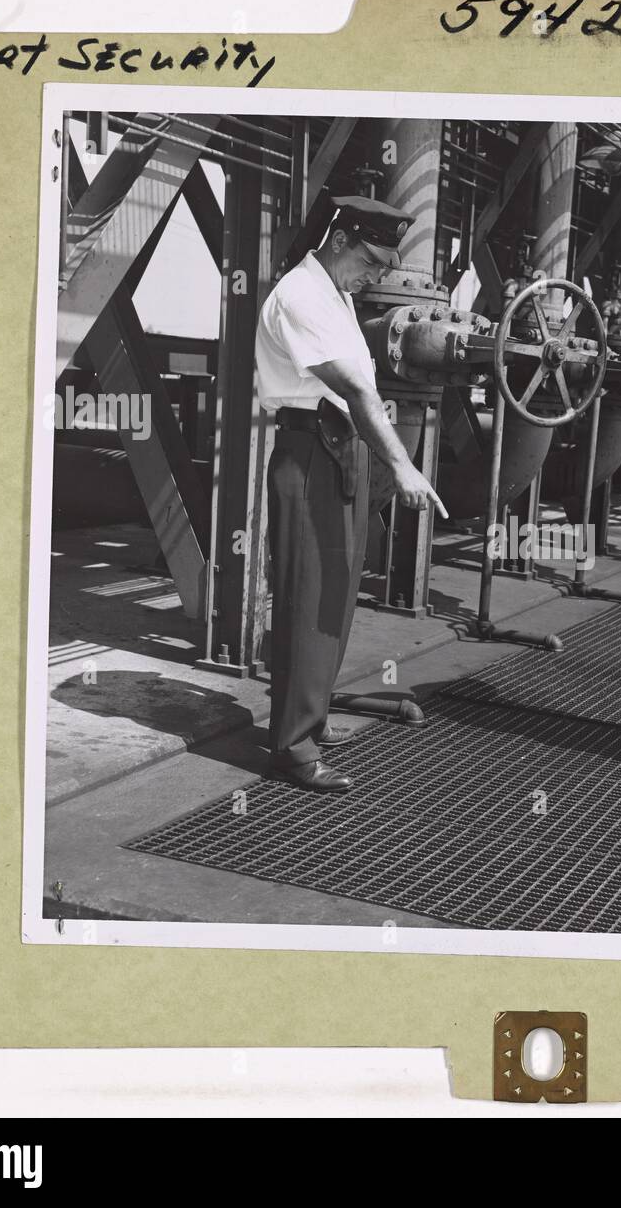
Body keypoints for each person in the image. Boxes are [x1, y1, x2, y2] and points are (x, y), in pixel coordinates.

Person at [255, 195, 446, 794]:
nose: (376, 277)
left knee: (334, 595)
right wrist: (405, 467)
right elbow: (359, 392)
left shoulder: (335, 293)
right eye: (370, 262)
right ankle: (293, 747)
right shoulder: (300, 295)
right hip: (313, 449)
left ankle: (309, 717)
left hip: (340, 447)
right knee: (308, 597)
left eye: (385, 269)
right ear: (338, 242)